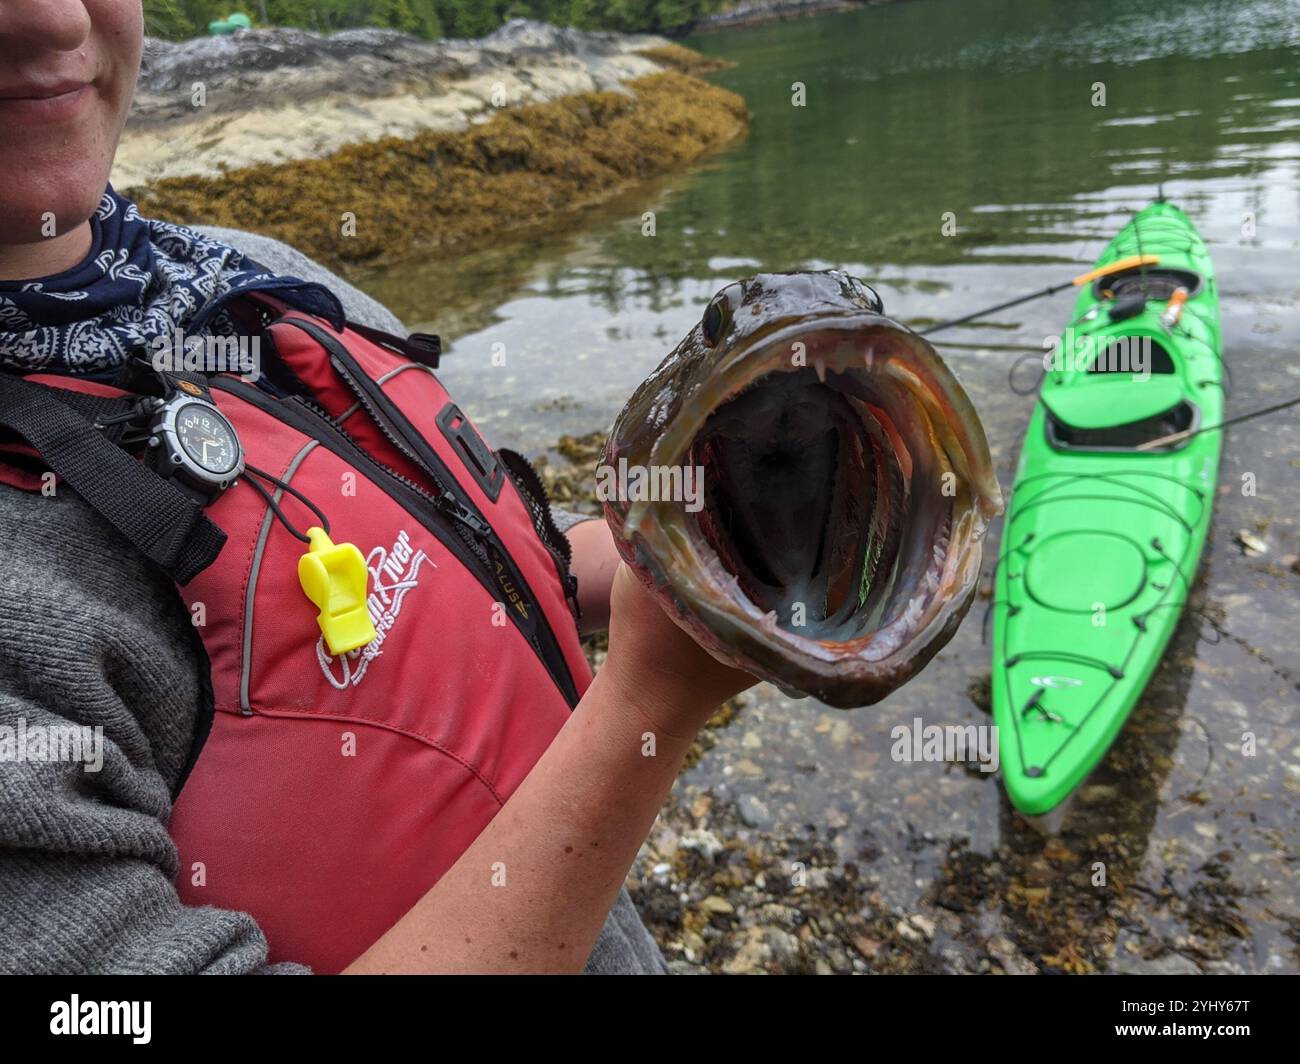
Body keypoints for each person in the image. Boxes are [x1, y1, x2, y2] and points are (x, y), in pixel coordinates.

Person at [0, 0, 753, 975]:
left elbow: (454, 586)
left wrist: (699, 558)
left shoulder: (256, 279)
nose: (55, 20)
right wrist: (648, 705)